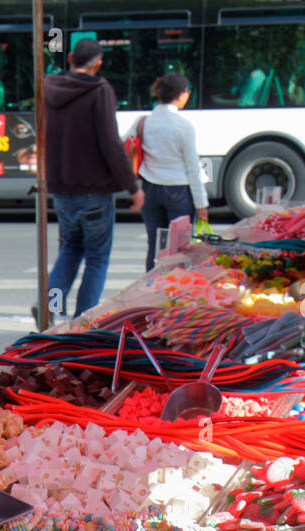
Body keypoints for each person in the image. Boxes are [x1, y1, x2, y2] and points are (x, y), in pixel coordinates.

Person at [42, 37, 142, 319]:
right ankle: (84, 319)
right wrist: (133, 187)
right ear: (98, 65)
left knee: (70, 249)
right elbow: (111, 143)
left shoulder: (49, 87)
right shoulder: (99, 91)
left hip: (62, 188)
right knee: (97, 258)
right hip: (94, 190)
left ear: (70, 58)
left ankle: (51, 307)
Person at [125, 73, 208, 272]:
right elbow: (193, 168)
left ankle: (151, 285)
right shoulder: (183, 126)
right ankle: (175, 287)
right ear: (180, 94)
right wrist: (202, 205)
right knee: (179, 249)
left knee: (155, 246)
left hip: (150, 190)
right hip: (178, 192)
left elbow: (123, 145)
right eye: (187, 92)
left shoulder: (143, 122)